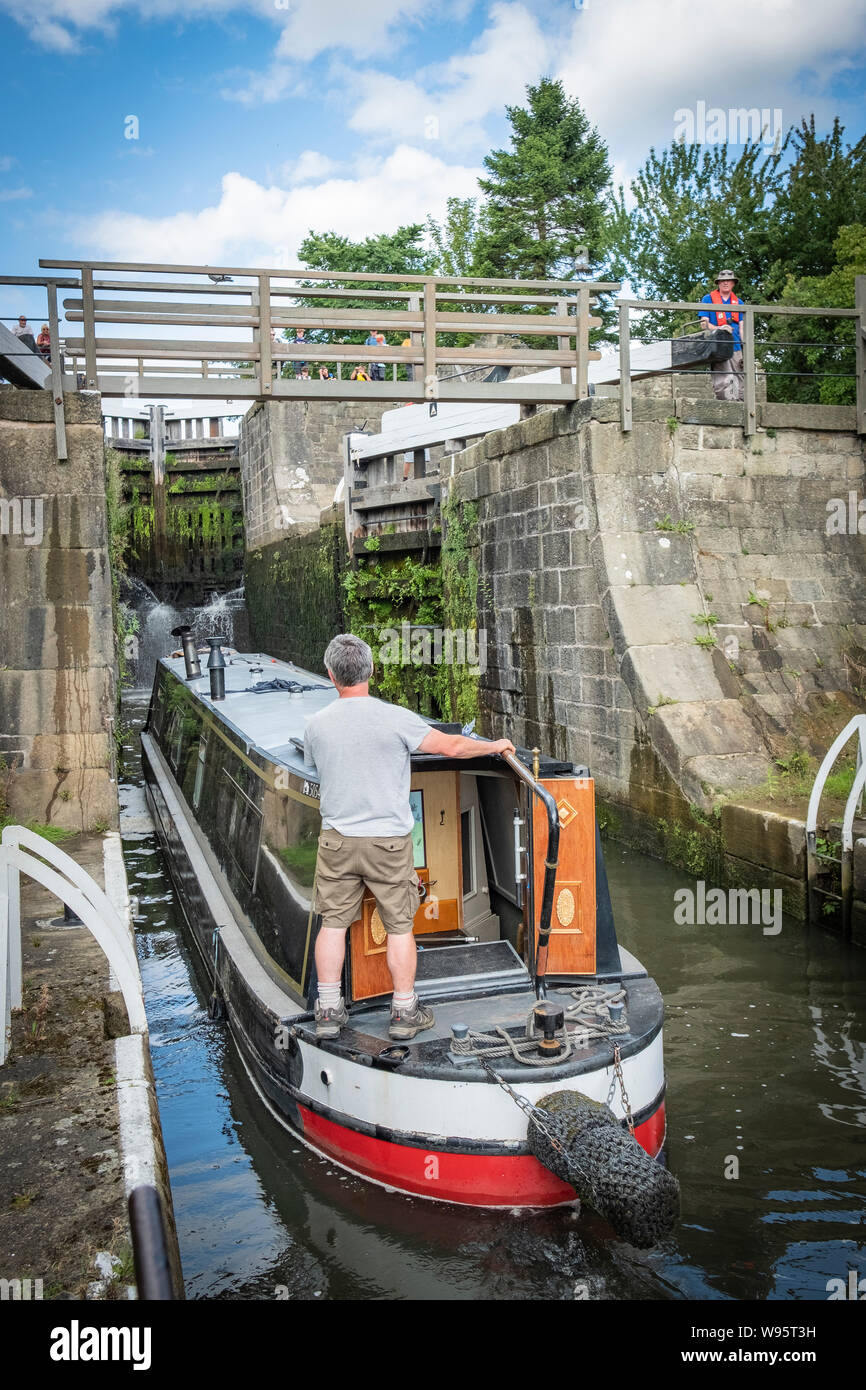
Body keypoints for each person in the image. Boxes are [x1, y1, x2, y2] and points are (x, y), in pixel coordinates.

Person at [304, 634, 515, 1041]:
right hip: (388, 843)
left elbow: (316, 767)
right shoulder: (397, 718)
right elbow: (452, 747)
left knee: (332, 924)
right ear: (370, 672)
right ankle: (404, 1012)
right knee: (400, 926)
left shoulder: (316, 725)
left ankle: (328, 1010)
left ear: (331, 676)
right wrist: (495, 745)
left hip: (337, 842)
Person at [698, 270, 744, 402]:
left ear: (733, 283)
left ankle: (742, 407)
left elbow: (742, 327)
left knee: (740, 377)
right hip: (718, 346)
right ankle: (727, 407)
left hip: (736, 347)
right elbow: (703, 324)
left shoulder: (739, 302)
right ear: (718, 283)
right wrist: (720, 329)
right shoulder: (708, 299)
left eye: (728, 280)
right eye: (722, 281)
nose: (725, 283)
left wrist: (746, 347)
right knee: (723, 379)